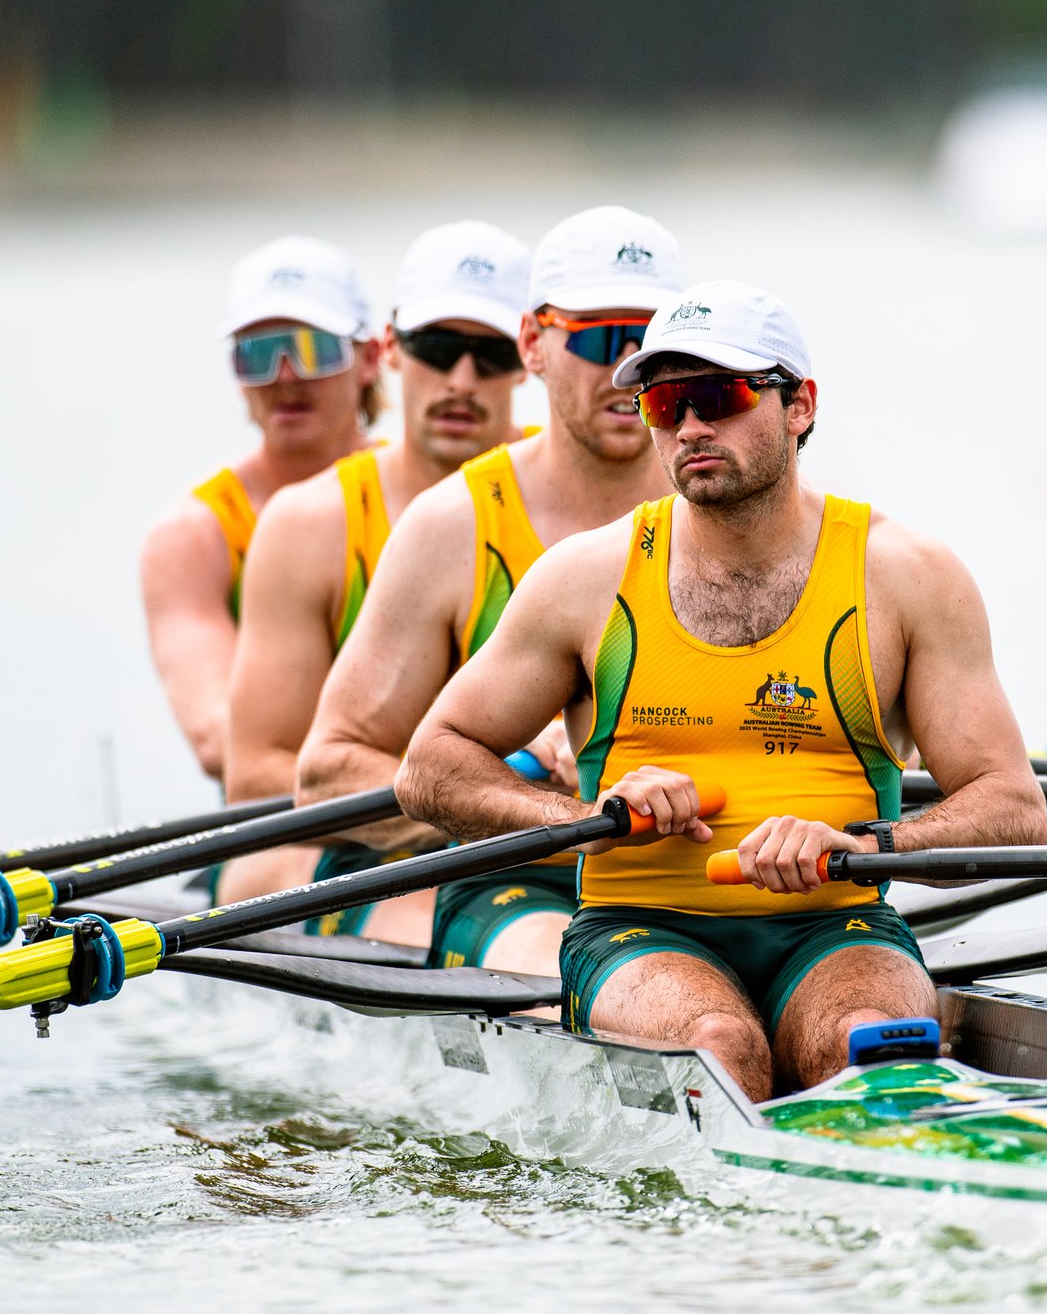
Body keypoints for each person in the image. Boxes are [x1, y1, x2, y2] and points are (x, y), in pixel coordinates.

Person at [393, 280, 1047, 1100]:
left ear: (800, 405)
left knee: (861, 1039)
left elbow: (1014, 810)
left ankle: (884, 1124)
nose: (691, 427)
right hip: (638, 931)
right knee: (720, 1045)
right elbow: (429, 765)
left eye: (720, 397)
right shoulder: (584, 580)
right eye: (665, 404)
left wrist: (864, 845)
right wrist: (582, 820)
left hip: (838, 923)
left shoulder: (908, 575)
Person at [296, 205, 685, 975]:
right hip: (507, 880)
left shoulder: (731, 502)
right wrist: (511, 781)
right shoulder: (451, 524)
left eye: (651, 341)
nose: (628, 367)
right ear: (533, 345)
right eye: (600, 337)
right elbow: (325, 773)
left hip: (687, 875)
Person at [216, 222, 533, 936]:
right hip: (358, 846)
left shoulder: (582, 500)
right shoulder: (308, 524)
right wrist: (482, 797)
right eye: (437, 349)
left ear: (530, 356)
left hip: (529, 844)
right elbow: (256, 774)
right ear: (390, 348)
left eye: (491, 355)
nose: (461, 381)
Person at [140, 236, 380, 782]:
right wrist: (426, 787)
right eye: (257, 354)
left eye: (313, 349)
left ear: (369, 360)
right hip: (293, 815)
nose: (284, 375)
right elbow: (218, 740)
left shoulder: (435, 496)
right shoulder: (192, 535)